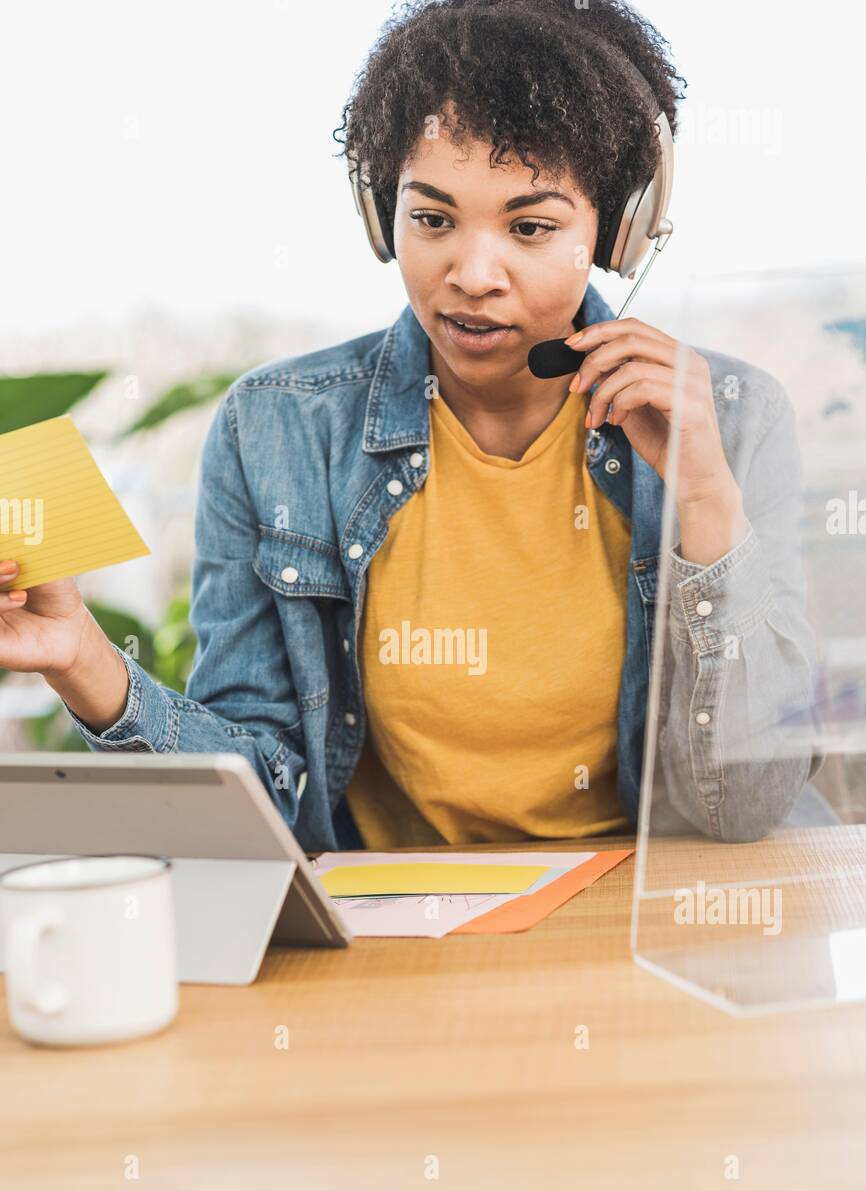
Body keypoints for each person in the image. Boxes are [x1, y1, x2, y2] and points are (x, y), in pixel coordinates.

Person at [0, 0, 824, 852]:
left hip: (635, 912)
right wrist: (83, 661)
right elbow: (261, 798)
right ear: (381, 216)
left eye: (530, 227)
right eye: (433, 219)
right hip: (402, 917)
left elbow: (745, 806)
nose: (473, 274)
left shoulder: (731, 418)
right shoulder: (275, 432)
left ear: (619, 232)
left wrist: (706, 499)